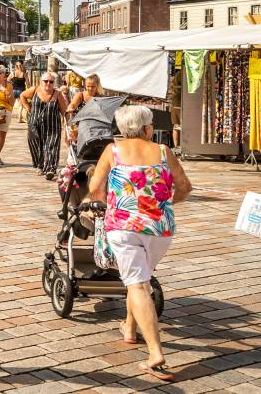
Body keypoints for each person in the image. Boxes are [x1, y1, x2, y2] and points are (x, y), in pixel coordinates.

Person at [87, 106, 192, 382]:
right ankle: (130, 330)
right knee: (140, 280)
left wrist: (113, 203)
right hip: (159, 229)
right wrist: (164, 204)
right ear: (147, 128)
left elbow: (95, 189)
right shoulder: (162, 151)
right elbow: (184, 187)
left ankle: (155, 353)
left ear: (123, 129)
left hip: (123, 226)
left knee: (136, 284)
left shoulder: (113, 151)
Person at [20, 71, 69, 179]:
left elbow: (64, 111)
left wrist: (67, 123)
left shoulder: (57, 94)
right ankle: (40, 165)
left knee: (51, 145)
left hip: (52, 125)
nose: (48, 83)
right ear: (41, 81)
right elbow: (22, 95)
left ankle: (50, 169)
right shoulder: (35, 89)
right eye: (45, 81)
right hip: (34, 124)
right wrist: (28, 108)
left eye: (51, 82)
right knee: (36, 144)